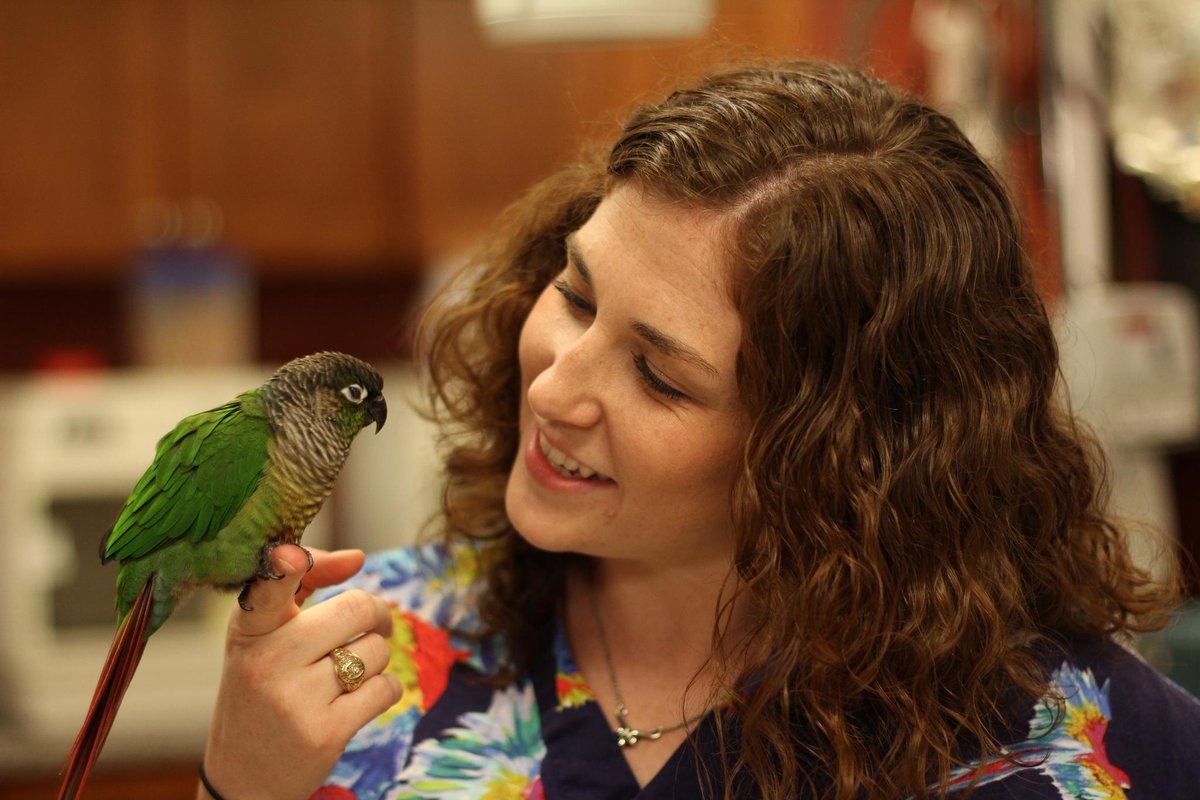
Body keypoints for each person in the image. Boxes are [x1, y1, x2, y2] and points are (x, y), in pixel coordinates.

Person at [197, 60, 1200, 800]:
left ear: (834, 455)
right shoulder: (368, 659)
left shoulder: (1082, 745)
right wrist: (235, 785)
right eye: (577, 297)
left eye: (659, 375)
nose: (554, 390)